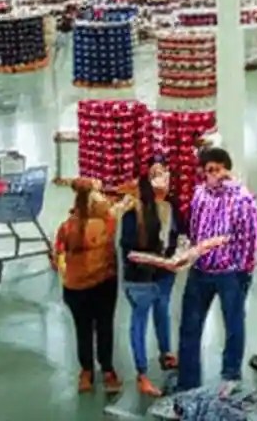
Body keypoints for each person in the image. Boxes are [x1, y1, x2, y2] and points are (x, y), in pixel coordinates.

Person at [177, 147, 257, 392]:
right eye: (209, 171)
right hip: (201, 270)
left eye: (218, 169)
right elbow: (194, 229)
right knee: (190, 326)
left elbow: (255, 236)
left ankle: (231, 376)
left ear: (227, 169)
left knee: (233, 324)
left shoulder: (242, 198)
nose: (214, 175)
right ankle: (187, 381)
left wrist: (243, 270)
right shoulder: (199, 195)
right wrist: (189, 251)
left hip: (231, 273)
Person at [54, 178, 132, 395]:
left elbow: (57, 256)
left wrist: (68, 274)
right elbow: (127, 203)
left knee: (83, 329)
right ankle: (108, 371)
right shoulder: (107, 221)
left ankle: (86, 372)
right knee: (104, 327)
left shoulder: (66, 227)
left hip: (74, 288)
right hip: (103, 284)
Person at [120, 166, 182, 397]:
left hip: (165, 275)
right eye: (156, 175)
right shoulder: (133, 214)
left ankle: (166, 353)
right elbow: (128, 249)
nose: (163, 179)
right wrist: (155, 260)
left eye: (166, 173)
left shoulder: (171, 206)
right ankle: (142, 373)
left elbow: (179, 234)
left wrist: (178, 255)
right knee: (139, 321)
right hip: (141, 280)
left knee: (163, 310)